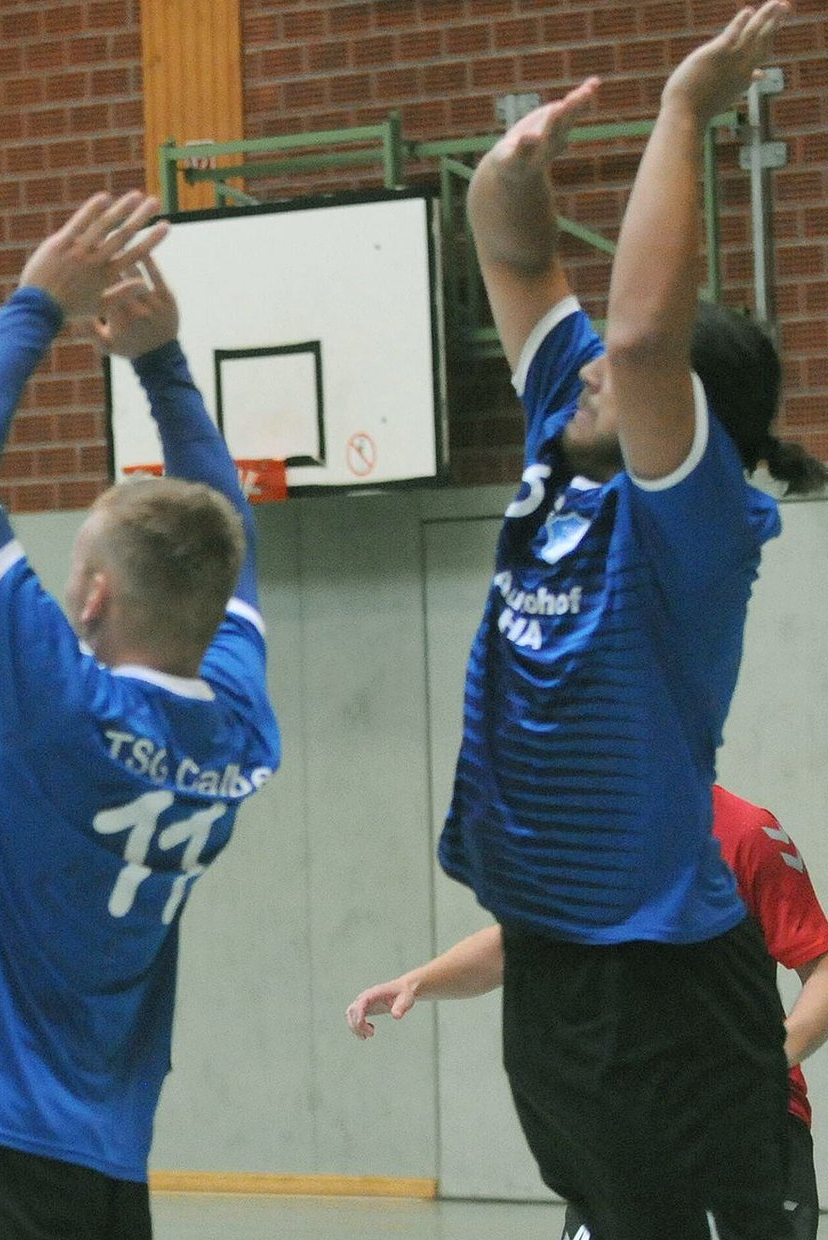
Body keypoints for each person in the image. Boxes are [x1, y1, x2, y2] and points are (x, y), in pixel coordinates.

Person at [437, 5, 826, 1236]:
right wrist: (510, 172)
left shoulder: (689, 527)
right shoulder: (569, 435)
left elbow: (650, 331)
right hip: (552, 962)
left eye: (613, 364)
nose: (590, 362)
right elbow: (509, 256)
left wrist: (681, 109)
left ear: (687, 421)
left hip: (666, 980)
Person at [0, 191, 281, 1239]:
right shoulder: (236, 725)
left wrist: (34, 306)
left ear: (91, 599)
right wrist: (161, 367)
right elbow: (222, 543)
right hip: (105, 1155)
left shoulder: (54, 703)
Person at [349, 786, 828, 1239]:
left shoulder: (746, 832)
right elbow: (519, 944)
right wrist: (418, 980)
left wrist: (762, 1060)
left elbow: (821, 969)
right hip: (620, 1128)